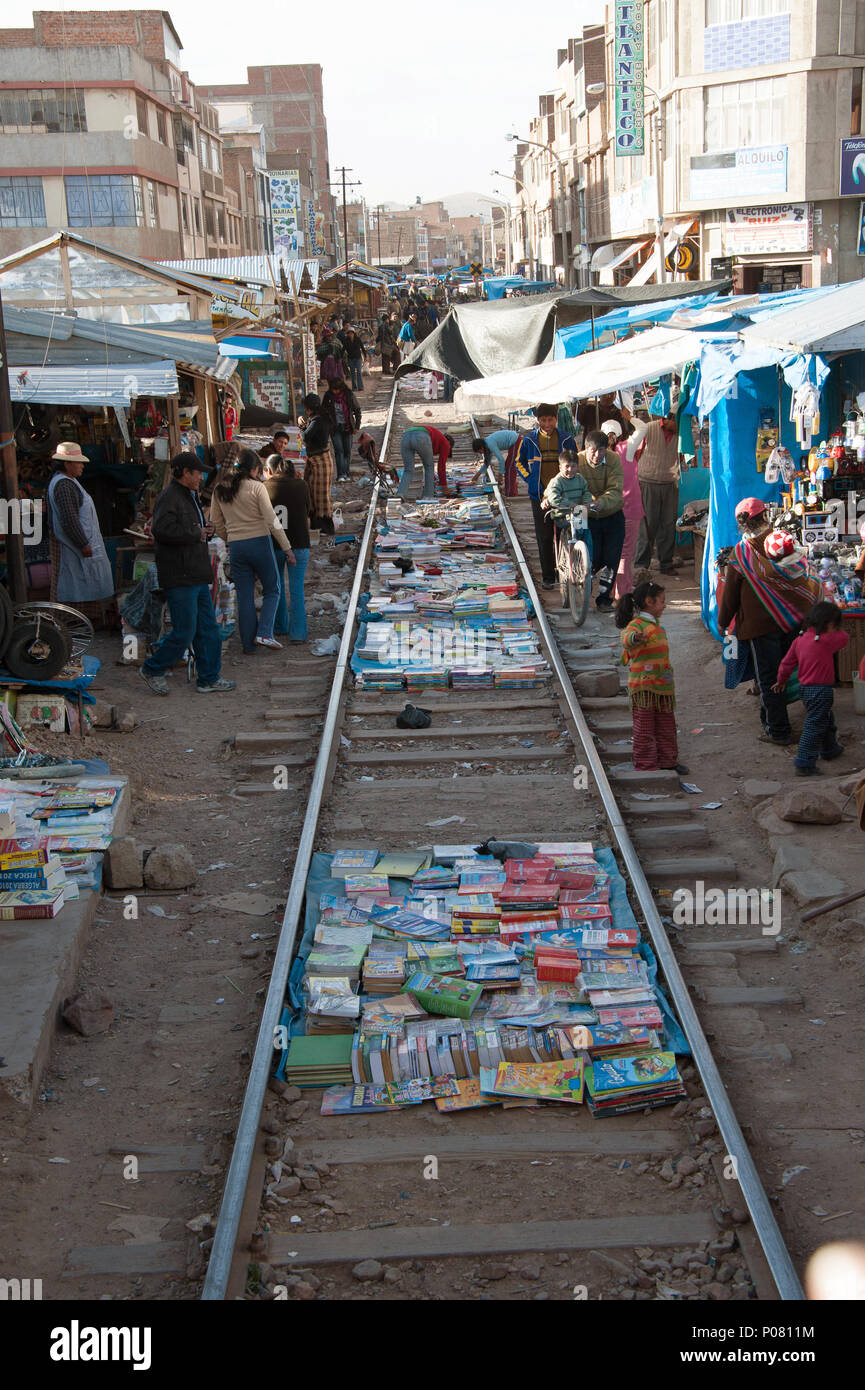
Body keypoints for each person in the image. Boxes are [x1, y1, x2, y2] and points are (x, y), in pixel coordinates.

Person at [718, 497, 822, 745]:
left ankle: (779, 730)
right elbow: (802, 573)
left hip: (760, 626)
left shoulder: (741, 553)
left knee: (769, 677)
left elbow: (731, 595)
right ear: (765, 516)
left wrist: (723, 622)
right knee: (786, 673)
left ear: (741, 524)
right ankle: (774, 720)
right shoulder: (784, 541)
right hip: (793, 620)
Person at [139, 452, 235, 696]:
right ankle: (152, 668)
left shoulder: (187, 496)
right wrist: (197, 533)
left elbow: (190, 529)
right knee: (184, 631)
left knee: (207, 629)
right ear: (184, 473)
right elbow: (161, 530)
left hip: (195, 572)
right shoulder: (169, 497)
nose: (200, 477)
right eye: (196, 473)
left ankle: (208, 678)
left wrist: (206, 531)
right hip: (180, 575)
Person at [209, 448, 295, 655]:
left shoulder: (220, 489)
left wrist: (230, 538)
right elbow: (272, 521)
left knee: (245, 597)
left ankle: (248, 645)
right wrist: (287, 548)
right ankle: (264, 632)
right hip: (260, 544)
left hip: (237, 548)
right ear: (255, 469)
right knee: (272, 589)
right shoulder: (257, 488)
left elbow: (216, 522)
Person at [616, 581, 688, 774]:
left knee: (667, 726)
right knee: (644, 728)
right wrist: (635, 638)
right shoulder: (637, 625)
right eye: (662, 601)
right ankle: (646, 764)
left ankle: (668, 761)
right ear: (649, 601)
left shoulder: (657, 627)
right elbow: (626, 638)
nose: (665, 605)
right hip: (644, 688)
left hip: (662, 687)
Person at [773, 601, 849, 776]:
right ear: (830, 623)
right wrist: (835, 630)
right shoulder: (827, 639)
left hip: (805, 689)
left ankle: (830, 749)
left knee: (825, 719)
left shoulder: (799, 640)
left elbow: (786, 664)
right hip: (821, 690)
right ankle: (804, 762)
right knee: (815, 725)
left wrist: (781, 681)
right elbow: (844, 637)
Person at [46, 441, 114, 622]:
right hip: (74, 544)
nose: (82, 466)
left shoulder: (69, 482)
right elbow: (69, 518)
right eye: (78, 462)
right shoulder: (64, 485)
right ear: (66, 463)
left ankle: (83, 620)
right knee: (72, 583)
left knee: (82, 582)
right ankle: (70, 620)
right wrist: (82, 543)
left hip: (80, 542)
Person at [515, 403, 577, 589]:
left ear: (556, 419)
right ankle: (548, 576)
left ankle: (564, 570)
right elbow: (519, 462)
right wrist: (531, 480)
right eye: (543, 420)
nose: (547, 423)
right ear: (538, 420)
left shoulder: (567, 439)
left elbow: (577, 460)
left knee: (565, 532)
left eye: (550, 419)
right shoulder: (530, 440)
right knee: (544, 536)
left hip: (564, 494)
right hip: (539, 495)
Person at [264, 454, 312, 643]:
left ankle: (280, 626)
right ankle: (298, 633)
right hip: (299, 543)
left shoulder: (264, 488)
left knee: (277, 586)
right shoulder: (301, 486)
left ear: (270, 470)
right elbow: (309, 509)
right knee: (297, 588)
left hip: (274, 544)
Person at [577, 429, 626, 610]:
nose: (597, 455)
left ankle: (604, 599)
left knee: (612, 559)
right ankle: (581, 586)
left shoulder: (614, 460)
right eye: (593, 451)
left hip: (611, 511)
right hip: (583, 513)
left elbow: (615, 489)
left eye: (601, 451)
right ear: (586, 448)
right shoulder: (577, 460)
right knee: (591, 556)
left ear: (607, 449)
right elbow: (567, 483)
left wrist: (600, 503)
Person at [633, 406, 681, 574]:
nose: (678, 426)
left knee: (668, 525)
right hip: (648, 482)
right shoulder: (649, 429)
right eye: (677, 422)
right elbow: (634, 453)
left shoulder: (681, 433)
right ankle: (641, 566)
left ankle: (666, 563)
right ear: (669, 419)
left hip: (670, 483)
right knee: (647, 526)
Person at [605, 413, 648, 600]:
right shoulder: (627, 448)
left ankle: (612, 590)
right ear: (621, 434)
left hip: (608, 510)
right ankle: (623, 594)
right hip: (630, 509)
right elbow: (643, 428)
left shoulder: (599, 454)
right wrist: (628, 416)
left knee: (613, 552)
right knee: (626, 554)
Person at [299, 393, 335, 534]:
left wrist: (302, 426)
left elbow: (306, 437)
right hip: (317, 460)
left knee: (320, 495)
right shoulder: (319, 418)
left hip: (320, 461)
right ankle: (317, 525)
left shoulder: (317, 420)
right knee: (313, 492)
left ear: (308, 408)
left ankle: (326, 526)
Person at [321, 376, 361, 483]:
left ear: (341, 388)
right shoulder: (328, 396)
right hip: (335, 428)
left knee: (347, 451)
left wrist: (357, 426)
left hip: (348, 428)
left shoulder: (349, 395)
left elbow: (357, 410)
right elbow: (323, 411)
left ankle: (346, 473)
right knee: (339, 451)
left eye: (336, 389)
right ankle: (340, 475)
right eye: (333, 389)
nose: (334, 391)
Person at [397, 426, 455, 500]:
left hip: (406, 436)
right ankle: (428, 496)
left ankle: (400, 494)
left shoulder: (436, 438)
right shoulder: (446, 444)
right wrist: (444, 487)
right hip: (421, 436)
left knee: (408, 470)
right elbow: (441, 466)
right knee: (429, 467)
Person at [540, 449, 592, 520]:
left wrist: (585, 504)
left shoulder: (580, 479)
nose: (570, 469)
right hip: (562, 517)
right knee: (568, 530)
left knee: (584, 530)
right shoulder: (557, 481)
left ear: (577, 466)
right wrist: (572, 505)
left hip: (579, 514)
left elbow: (586, 492)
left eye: (573, 466)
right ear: (560, 467)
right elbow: (553, 498)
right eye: (567, 466)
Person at [471, 429, 521, 494]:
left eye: (480, 451)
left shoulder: (490, 444)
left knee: (510, 468)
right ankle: (511, 488)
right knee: (509, 467)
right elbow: (486, 463)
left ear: (481, 448)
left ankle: (511, 492)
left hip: (516, 441)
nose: (481, 453)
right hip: (514, 442)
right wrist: (477, 475)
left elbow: (501, 459)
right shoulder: (486, 447)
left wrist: (500, 475)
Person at [341, 326, 367, 392]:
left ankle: (360, 387)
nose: (350, 334)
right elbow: (343, 350)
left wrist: (365, 356)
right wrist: (340, 357)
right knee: (352, 373)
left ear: (354, 333)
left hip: (358, 358)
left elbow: (363, 348)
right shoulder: (346, 341)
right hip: (351, 359)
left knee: (358, 372)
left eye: (351, 333)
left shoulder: (358, 339)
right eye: (349, 333)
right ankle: (354, 387)